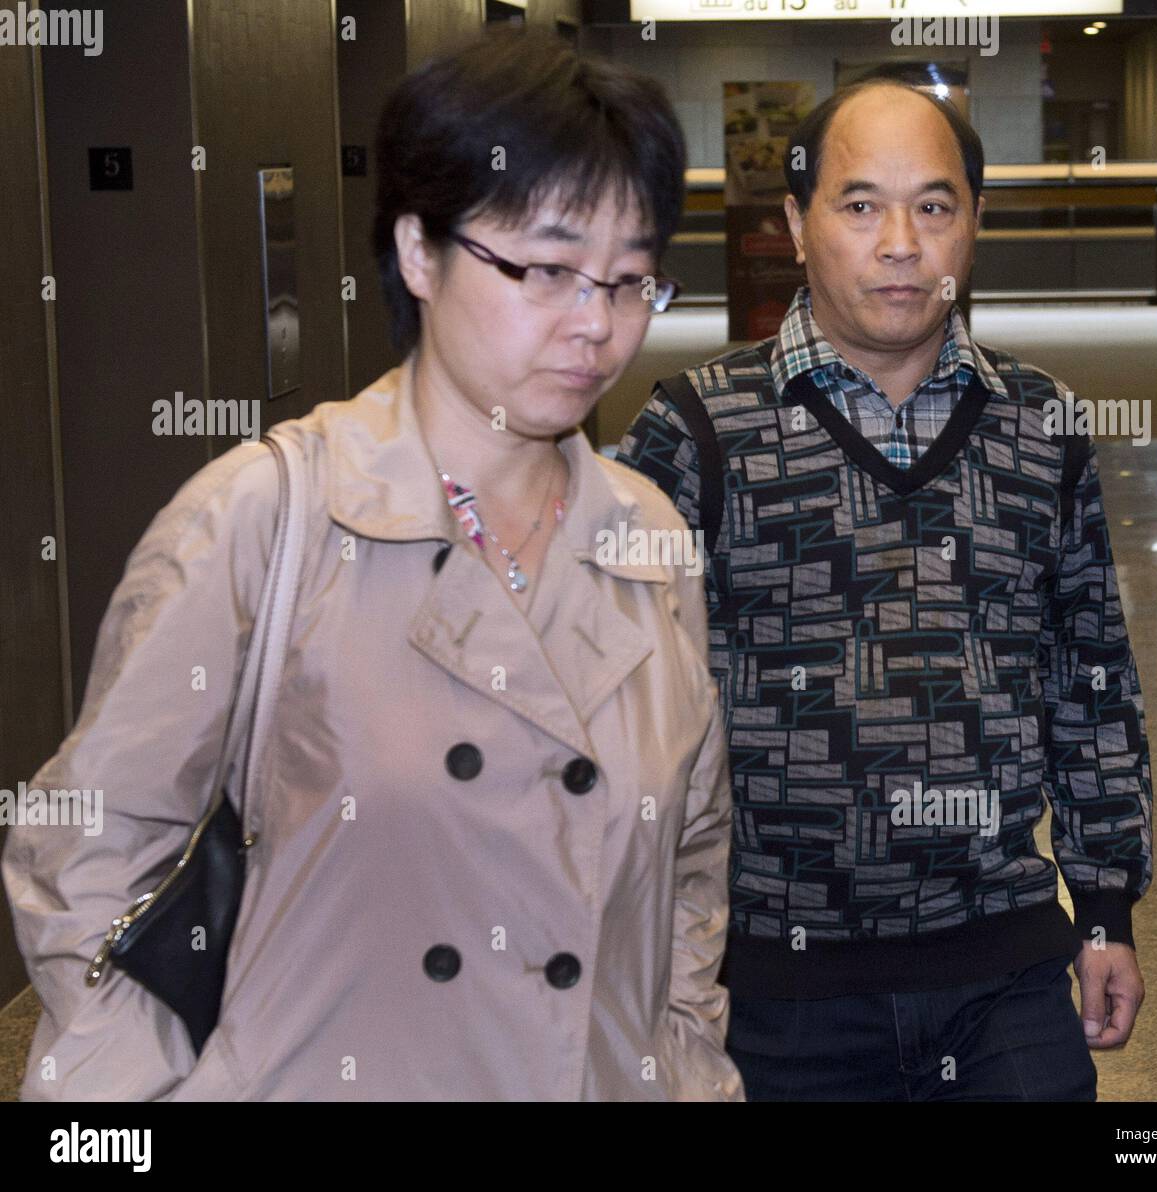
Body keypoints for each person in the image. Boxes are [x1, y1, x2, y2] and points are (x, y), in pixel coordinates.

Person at [3, 27, 743, 1102]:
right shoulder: (262, 516)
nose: (596, 325)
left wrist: (681, 1066)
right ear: (416, 251)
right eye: (545, 267)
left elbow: (689, 861)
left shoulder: (645, 533)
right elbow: (80, 856)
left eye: (630, 281)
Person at [617, 78, 1153, 1101]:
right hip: (775, 990)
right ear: (795, 222)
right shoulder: (696, 433)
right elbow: (626, 722)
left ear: (975, 223)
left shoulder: (1040, 425)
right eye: (859, 205)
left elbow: (1089, 684)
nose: (900, 242)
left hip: (1005, 976)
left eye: (934, 205)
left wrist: (1104, 909)